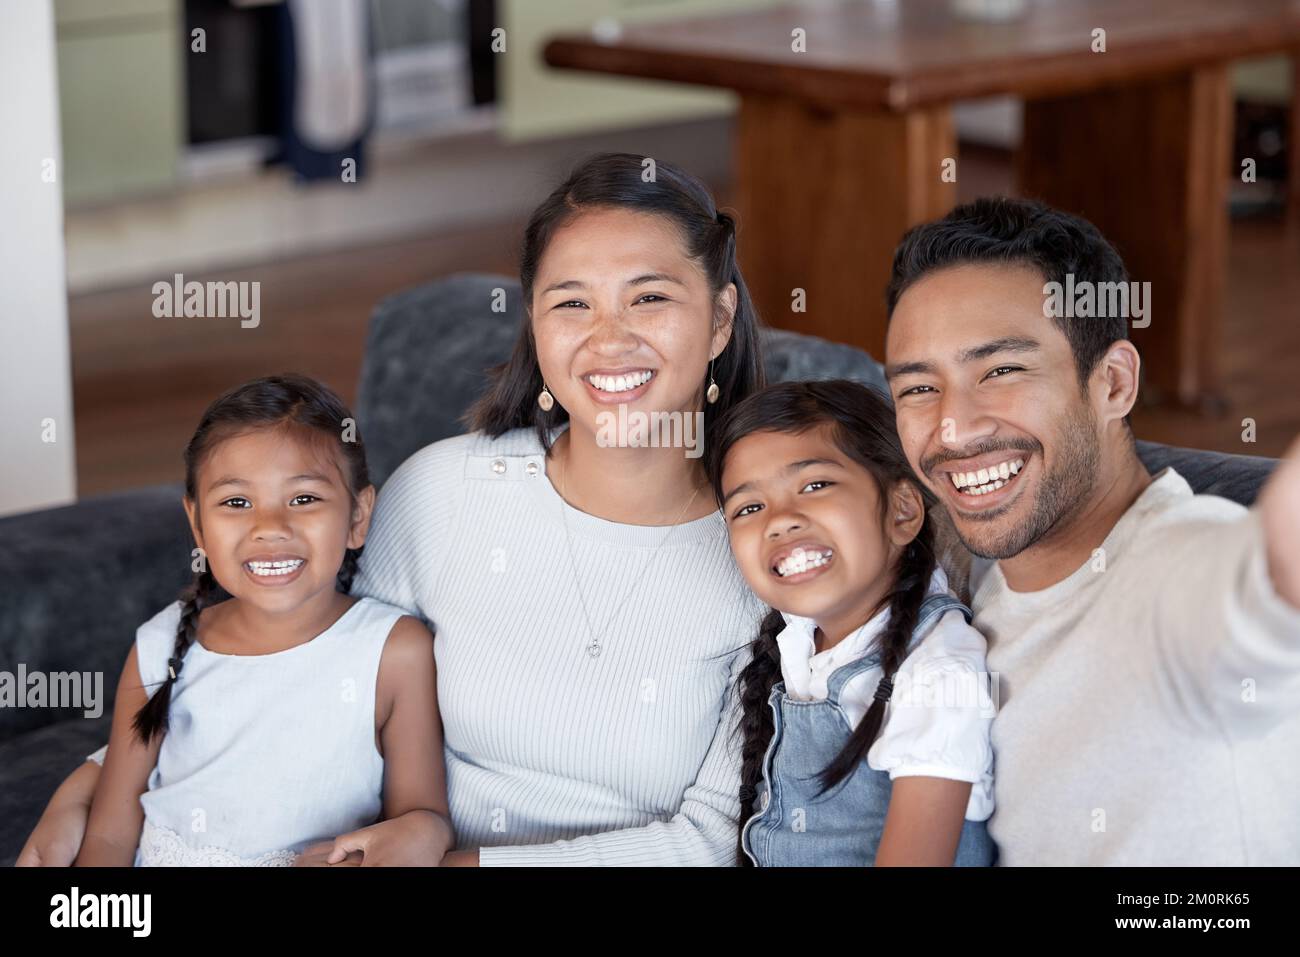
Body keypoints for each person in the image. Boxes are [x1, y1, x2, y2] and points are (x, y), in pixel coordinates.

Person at [20, 152, 770, 867]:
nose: (609, 339)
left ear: (719, 317)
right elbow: (305, 661)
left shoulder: (768, 548)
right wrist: (100, 776)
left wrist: (450, 861)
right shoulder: (442, 493)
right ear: (535, 326)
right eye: (571, 302)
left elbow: (710, 842)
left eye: (650, 297)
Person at [883, 196, 1300, 865]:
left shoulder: (1178, 565)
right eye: (918, 389)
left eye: (1000, 370)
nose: (952, 428)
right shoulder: (974, 605)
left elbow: (1273, 572)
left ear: (1113, 383)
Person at [70, 374, 450, 866]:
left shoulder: (395, 652)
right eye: (236, 503)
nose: (270, 528)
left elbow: (422, 816)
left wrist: (424, 832)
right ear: (198, 524)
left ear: (357, 517)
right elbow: (108, 838)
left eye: (303, 499)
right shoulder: (159, 646)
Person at [710, 379, 995, 866]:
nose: (780, 520)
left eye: (815, 485)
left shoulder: (937, 672)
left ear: (903, 510)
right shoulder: (795, 643)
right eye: (749, 507)